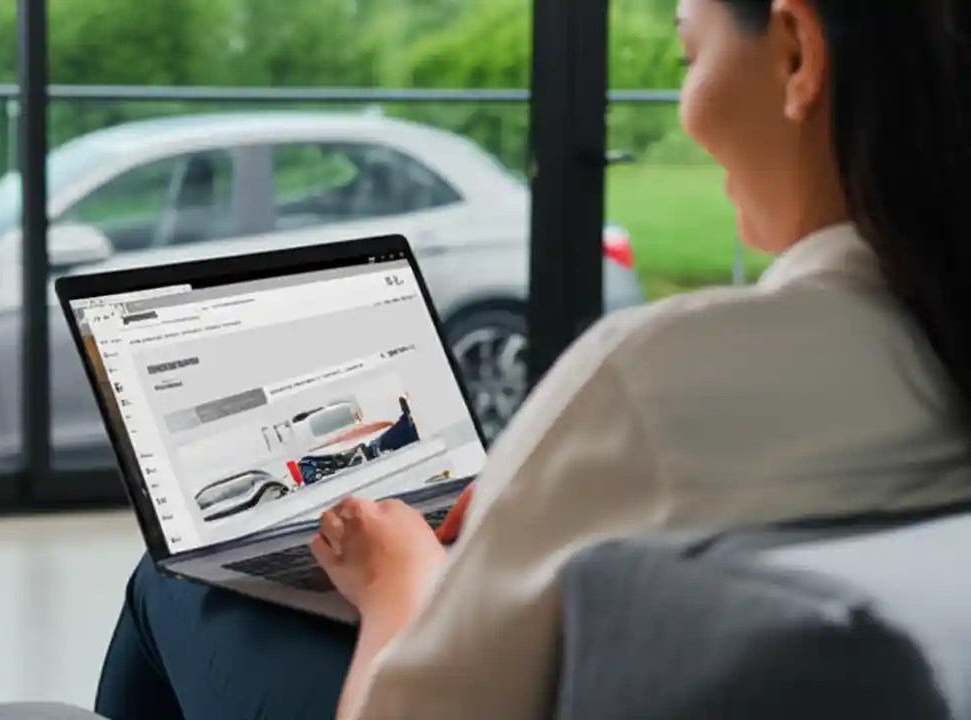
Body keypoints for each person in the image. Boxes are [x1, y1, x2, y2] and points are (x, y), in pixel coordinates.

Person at [96, 1, 971, 718]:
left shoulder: (664, 379)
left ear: (795, 57)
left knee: (175, 580)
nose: (686, 106)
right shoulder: (921, 351)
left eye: (686, 56)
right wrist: (527, 508)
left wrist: (400, 573)